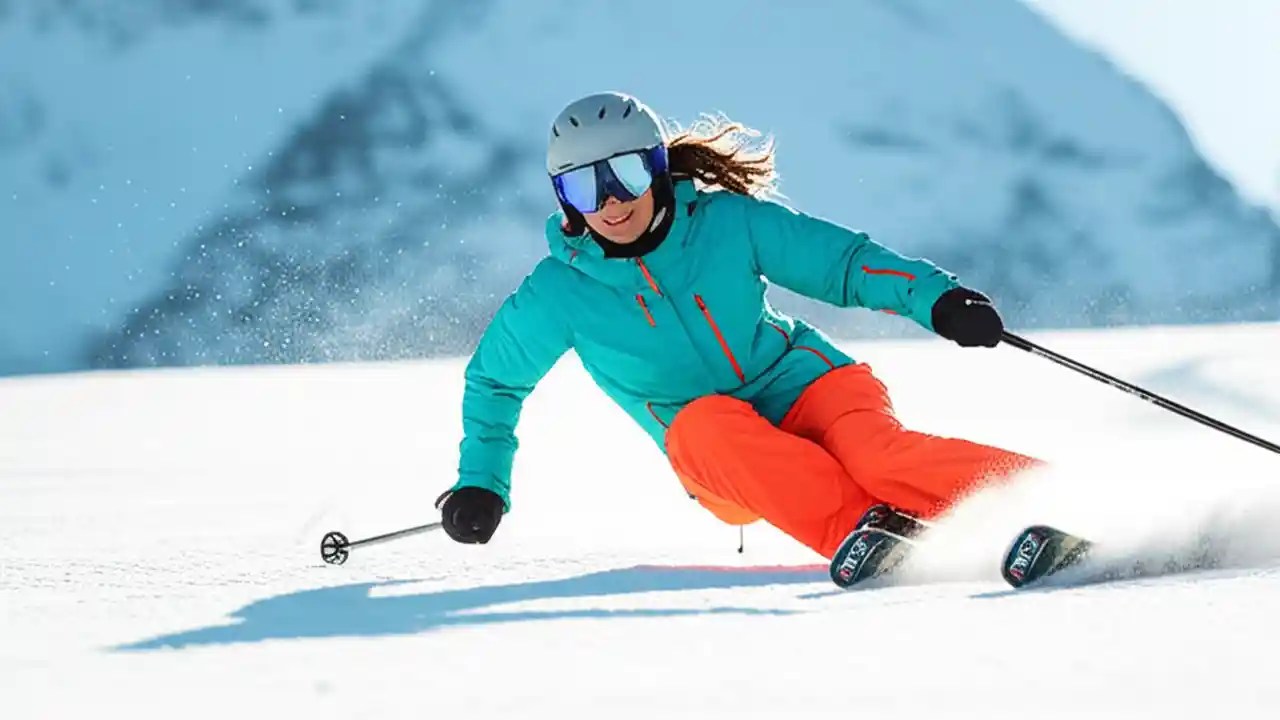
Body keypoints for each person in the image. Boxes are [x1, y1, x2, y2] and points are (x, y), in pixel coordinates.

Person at [435, 91, 1038, 566]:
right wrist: (482, 481)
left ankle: (1048, 500)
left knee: (875, 457)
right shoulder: (558, 291)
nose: (610, 203)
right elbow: (495, 382)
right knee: (705, 424)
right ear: (564, 197)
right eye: (584, 186)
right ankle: (876, 534)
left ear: (654, 167)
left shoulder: (725, 224)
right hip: (715, 452)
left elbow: (842, 264)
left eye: (624, 175)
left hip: (806, 387)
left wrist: (938, 300)